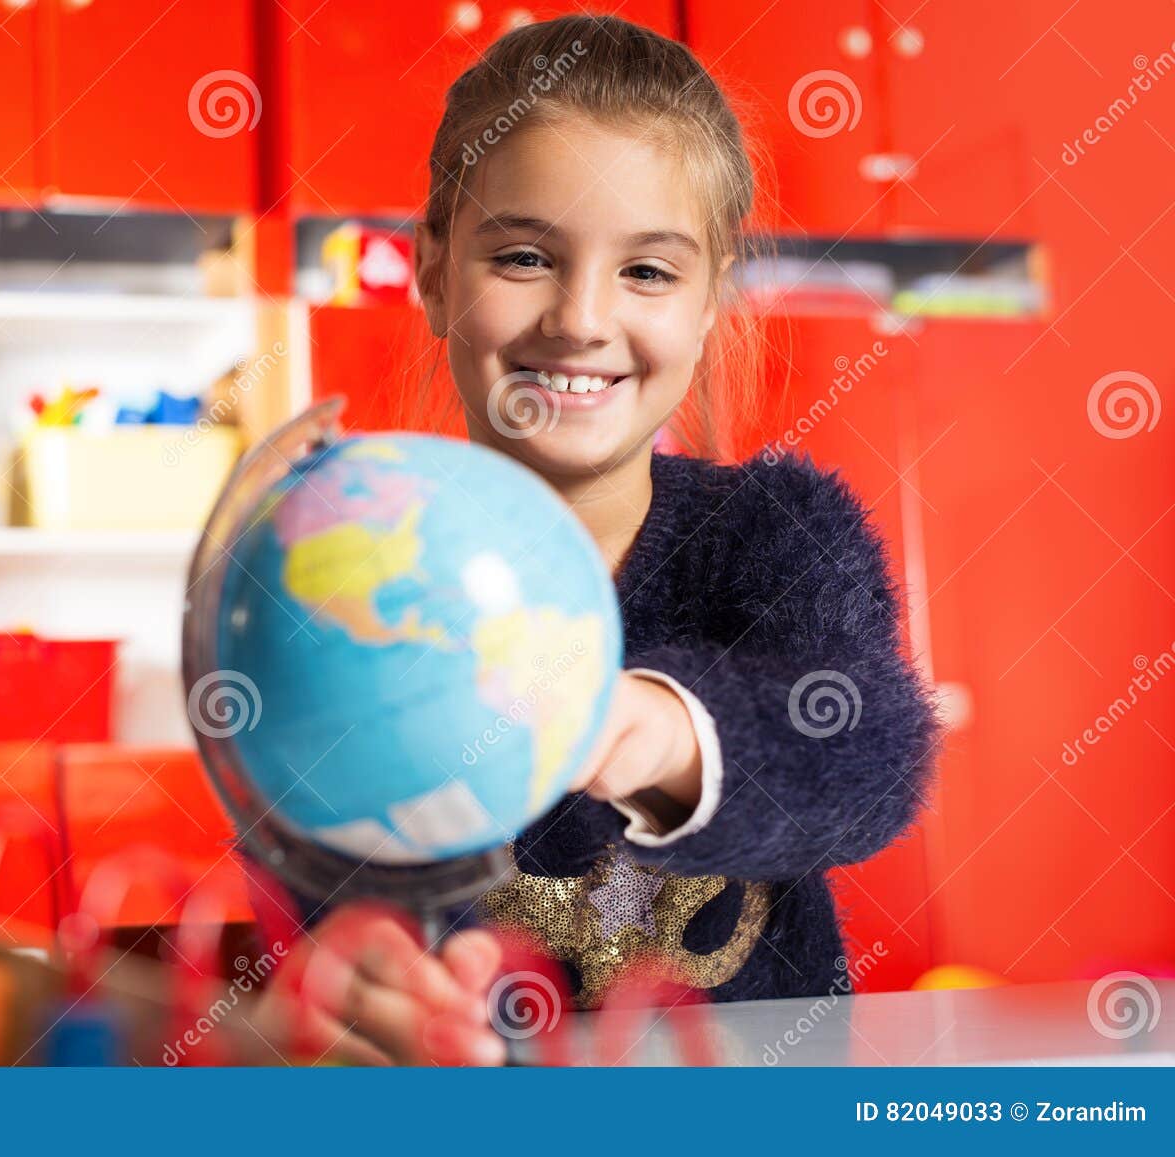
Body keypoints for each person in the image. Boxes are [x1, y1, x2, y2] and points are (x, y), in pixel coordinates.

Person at [253, 13, 946, 1066]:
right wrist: (358, 987)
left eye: (648, 272)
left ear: (711, 301)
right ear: (434, 272)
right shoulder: (346, 577)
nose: (580, 318)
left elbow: (874, 756)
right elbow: (317, 888)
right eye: (524, 256)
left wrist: (660, 730)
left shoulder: (774, 529)